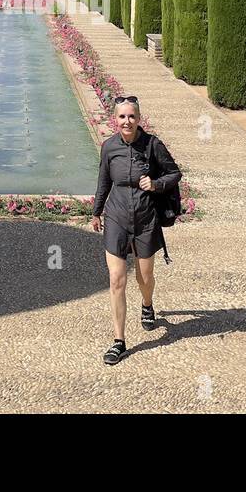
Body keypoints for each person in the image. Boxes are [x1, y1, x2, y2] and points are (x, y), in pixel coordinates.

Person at [91, 96, 181, 365]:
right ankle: (119, 341)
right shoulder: (109, 147)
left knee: (145, 277)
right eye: (122, 117)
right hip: (116, 216)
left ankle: (147, 304)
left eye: (131, 116)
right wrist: (96, 211)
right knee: (117, 279)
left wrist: (155, 184)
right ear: (115, 120)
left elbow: (174, 174)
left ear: (138, 118)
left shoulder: (153, 145)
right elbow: (103, 181)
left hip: (145, 218)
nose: (126, 121)